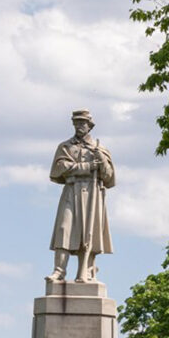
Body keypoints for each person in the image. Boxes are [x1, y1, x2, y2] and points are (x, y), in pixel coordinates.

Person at [46, 109, 116, 283]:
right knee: (64, 229)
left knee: (90, 233)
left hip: (93, 193)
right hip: (72, 190)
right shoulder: (65, 147)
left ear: (89, 126)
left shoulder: (100, 149)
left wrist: (100, 160)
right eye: (76, 123)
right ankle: (59, 271)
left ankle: (87, 271)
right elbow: (59, 168)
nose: (78, 126)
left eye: (82, 123)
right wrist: (86, 166)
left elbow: (109, 177)